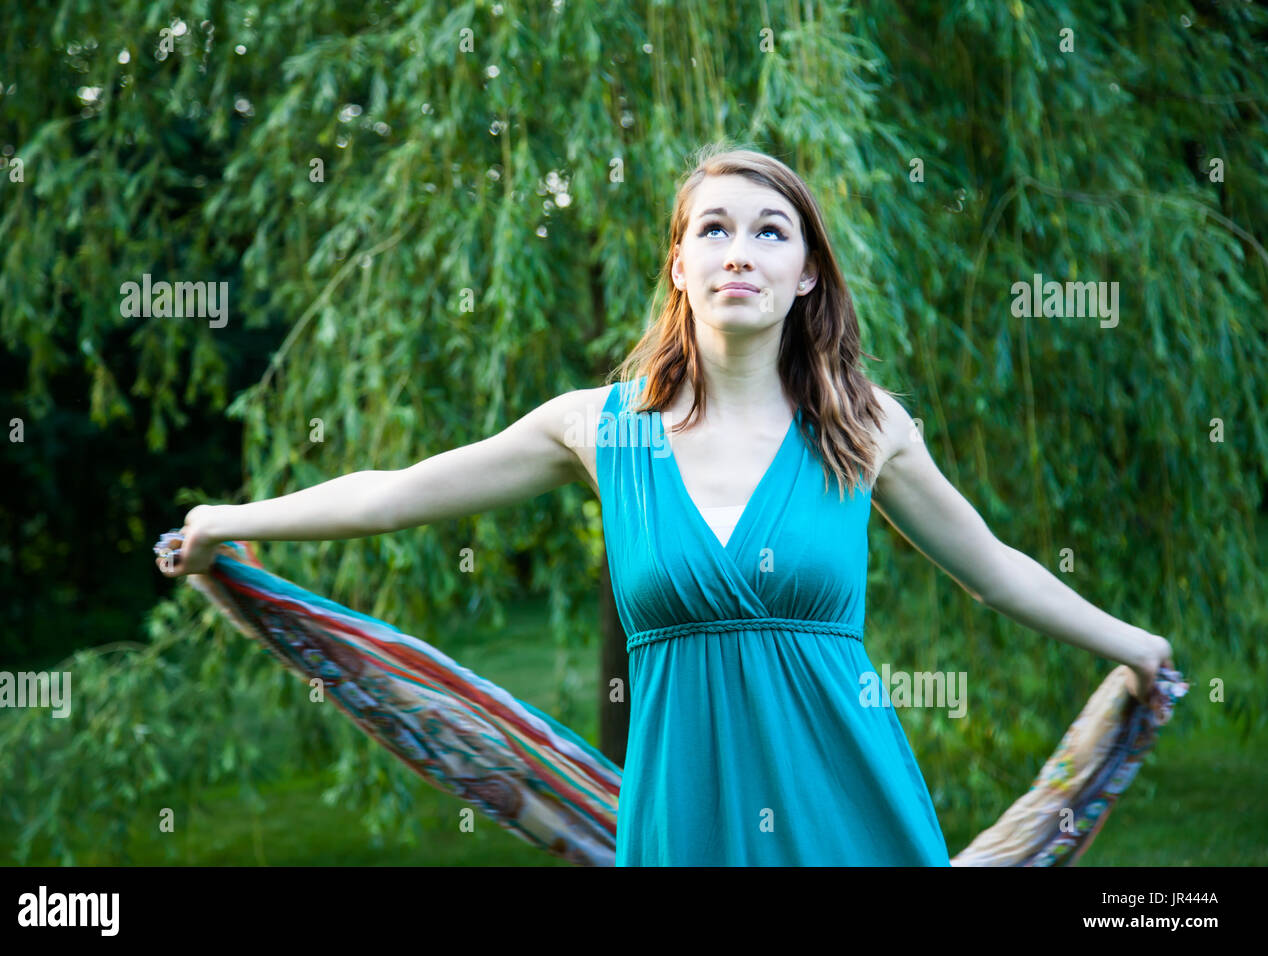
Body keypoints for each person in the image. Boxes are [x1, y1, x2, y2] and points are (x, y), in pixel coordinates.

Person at [157, 145, 1175, 866]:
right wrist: (232, 517)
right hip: (682, 807)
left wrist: (1131, 641)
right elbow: (391, 495)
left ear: (805, 271)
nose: (740, 250)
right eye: (713, 229)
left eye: (769, 231)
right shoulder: (597, 430)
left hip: (846, 797)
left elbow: (992, 569)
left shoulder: (868, 427)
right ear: (679, 265)